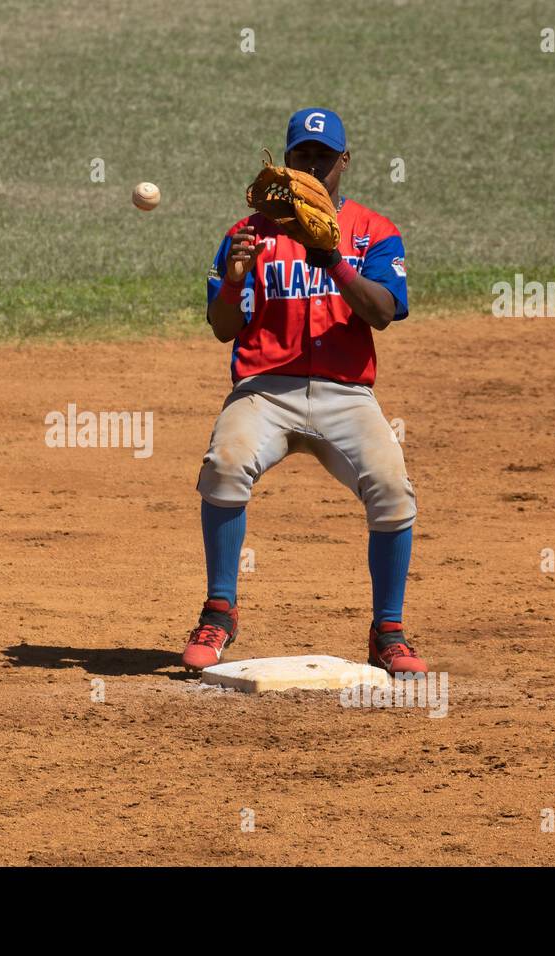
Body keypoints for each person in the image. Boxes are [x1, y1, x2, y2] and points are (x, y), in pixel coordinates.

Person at [183, 108, 427, 677]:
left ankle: (387, 630)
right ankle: (220, 611)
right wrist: (236, 279)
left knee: (392, 485)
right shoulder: (247, 234)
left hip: (347, 396)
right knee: (225, 462)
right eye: (301, 156)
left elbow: (385, 312)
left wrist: (334, 263)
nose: (311, 165)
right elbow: (223, 327)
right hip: (265, 391)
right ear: (286, 162)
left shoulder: (373, 231)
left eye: (323, 156)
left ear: (344, 161)